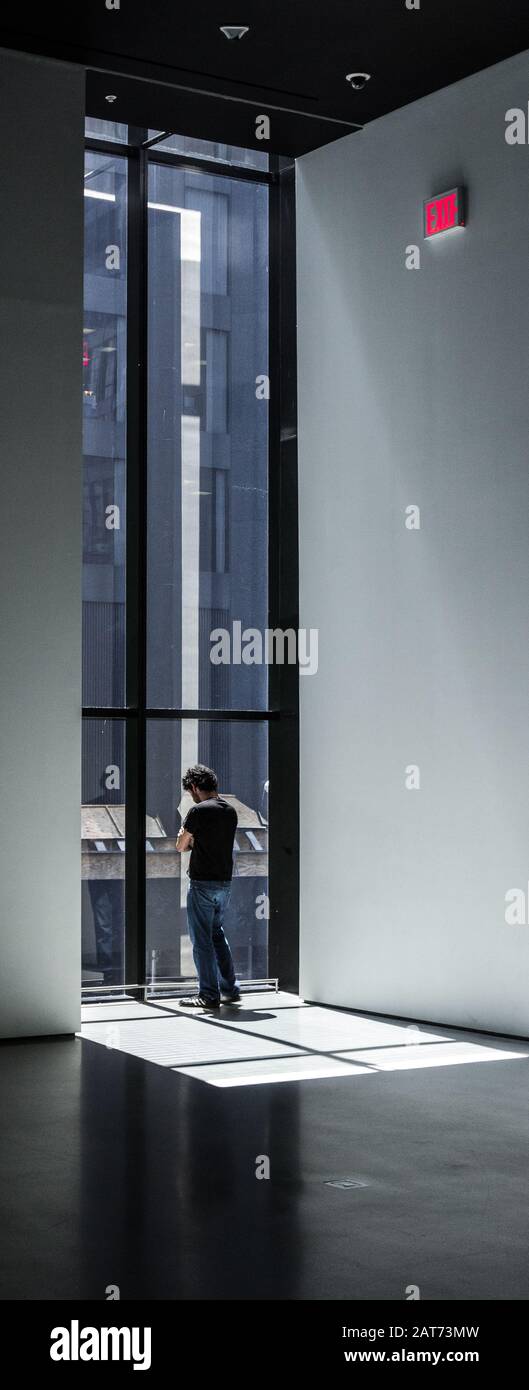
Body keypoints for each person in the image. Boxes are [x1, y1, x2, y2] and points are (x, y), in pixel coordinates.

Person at [175, 764, 240, 1011]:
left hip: (202, 883)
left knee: (201, 939)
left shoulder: (197, 811)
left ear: (194, 787)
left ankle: (208, 995)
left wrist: (187, 837)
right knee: (217, 934)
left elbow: (181, 846)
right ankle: (229, 988)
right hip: (224, 883)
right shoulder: (230, 810)